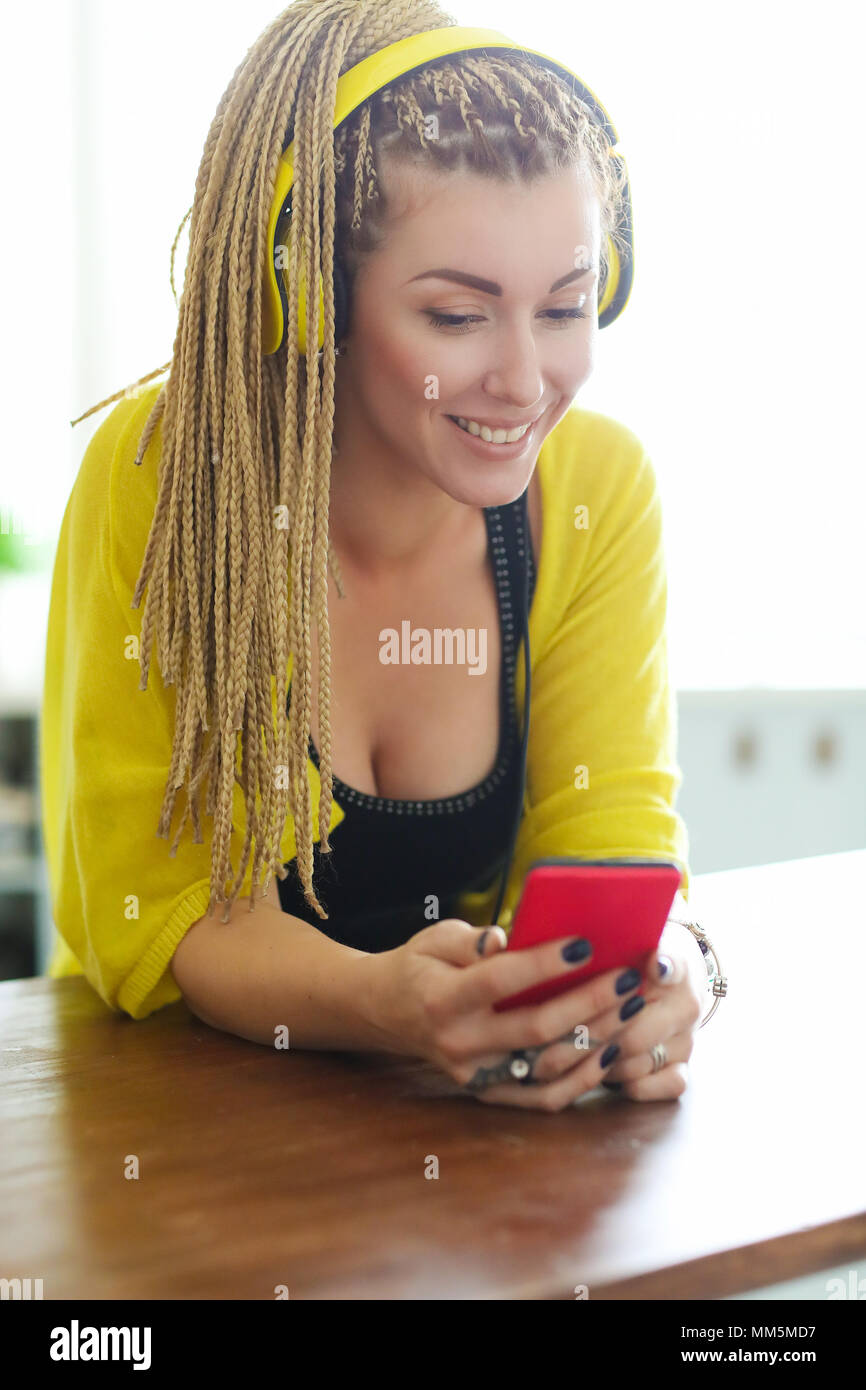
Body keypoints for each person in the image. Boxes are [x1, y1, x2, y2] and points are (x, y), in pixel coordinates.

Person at [41, 0, 707, 1110]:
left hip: (461, 1173)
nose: (523, 377)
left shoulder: (594, 490)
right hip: (171, 1132)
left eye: (565, 306)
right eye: (456, 316)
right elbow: (155, 918)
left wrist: (661, 972)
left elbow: (612, 840)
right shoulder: (167, 476)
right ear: (313, 295)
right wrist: (390, 1005)